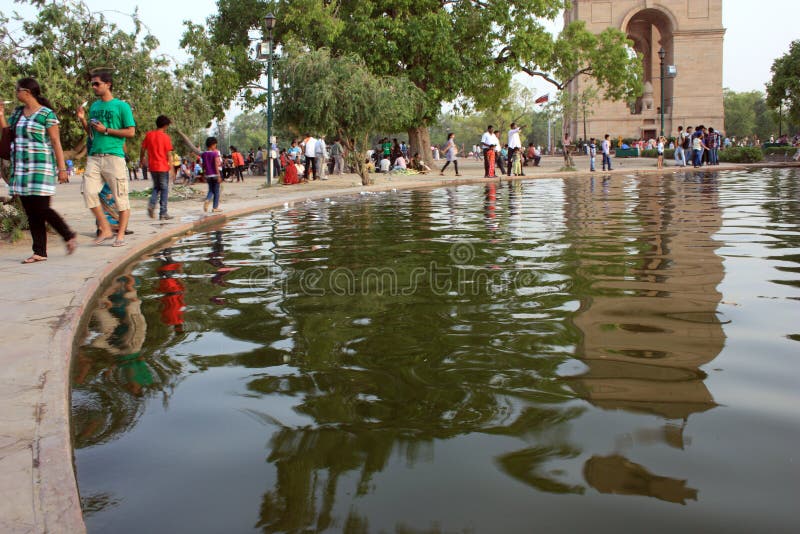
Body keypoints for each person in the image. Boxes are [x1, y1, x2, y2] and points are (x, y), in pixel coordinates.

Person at [0, 78, 77, 263]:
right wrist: (1, 115)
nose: (15, 94)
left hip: (40, 167)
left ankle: (68, 234)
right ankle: (39, 252)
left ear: (26, 92)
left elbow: (56, 142)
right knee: (31, 212)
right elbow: (8, 134)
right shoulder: (18, 113)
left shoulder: (46, 114)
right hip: (21, 168)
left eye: (17, 90)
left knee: (42, 208)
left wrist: (62, 169)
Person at [77, 71, 136, 246]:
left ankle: (120, 235)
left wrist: (107, 130)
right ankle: (105, 227)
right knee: (88, 192)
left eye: (97, 84)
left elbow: (131, 132)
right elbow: (91, 133)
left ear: (108, 84)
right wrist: (82, 120)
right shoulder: (94, 107)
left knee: (121, 197)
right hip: (95, 156)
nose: (94, 87)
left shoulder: (121, 106)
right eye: (92, 84)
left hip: (114, 156)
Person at [140, 114, 174, 220]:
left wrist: (141, 159)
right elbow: (169, 154)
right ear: (165, 126)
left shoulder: (149, 135)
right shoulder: (166, 137)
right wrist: (172, 168)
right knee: (164, 189)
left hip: (153, 166)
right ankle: (163, 212)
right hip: (163, 166)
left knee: (156, 187)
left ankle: (151, 204)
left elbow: (142, 149)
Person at [201, 136, 223, 212]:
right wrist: (219, 175)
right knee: (216, 191)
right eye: (215, 145)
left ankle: (207, 199)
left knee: (210, 190)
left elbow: (203, 165)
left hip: (208, 175)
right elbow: (216, 165)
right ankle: (215, 207)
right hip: (215, 174)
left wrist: (203, 174)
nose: (215, 146)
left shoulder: (204, 154)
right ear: (213, 145)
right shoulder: (215, 153)